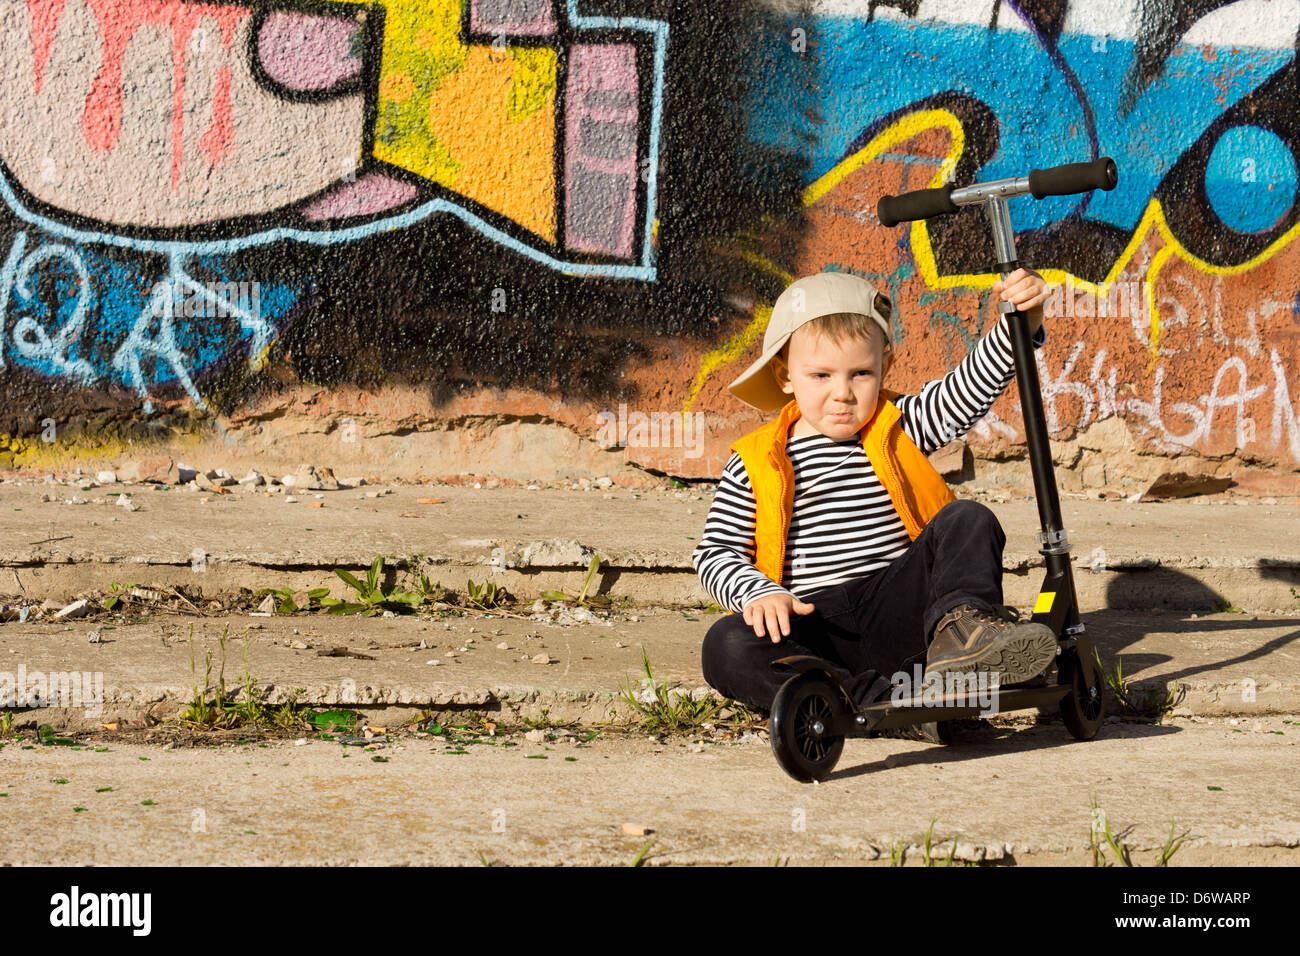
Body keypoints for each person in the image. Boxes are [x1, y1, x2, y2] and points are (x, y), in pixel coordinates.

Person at [693, 268, 1058, 724]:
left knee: (967, 517)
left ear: (884, 366)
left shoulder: (900, 423)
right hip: (814, 626)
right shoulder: (754, 461)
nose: (842, 393)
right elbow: (715, 553)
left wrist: (1016, 325)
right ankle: (874, 705)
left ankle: (963, 634)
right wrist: (758, 593)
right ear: (786, 376)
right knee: (725, 645)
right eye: (821, 375)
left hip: (903, 616)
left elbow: (967, 389)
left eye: (861, 373)